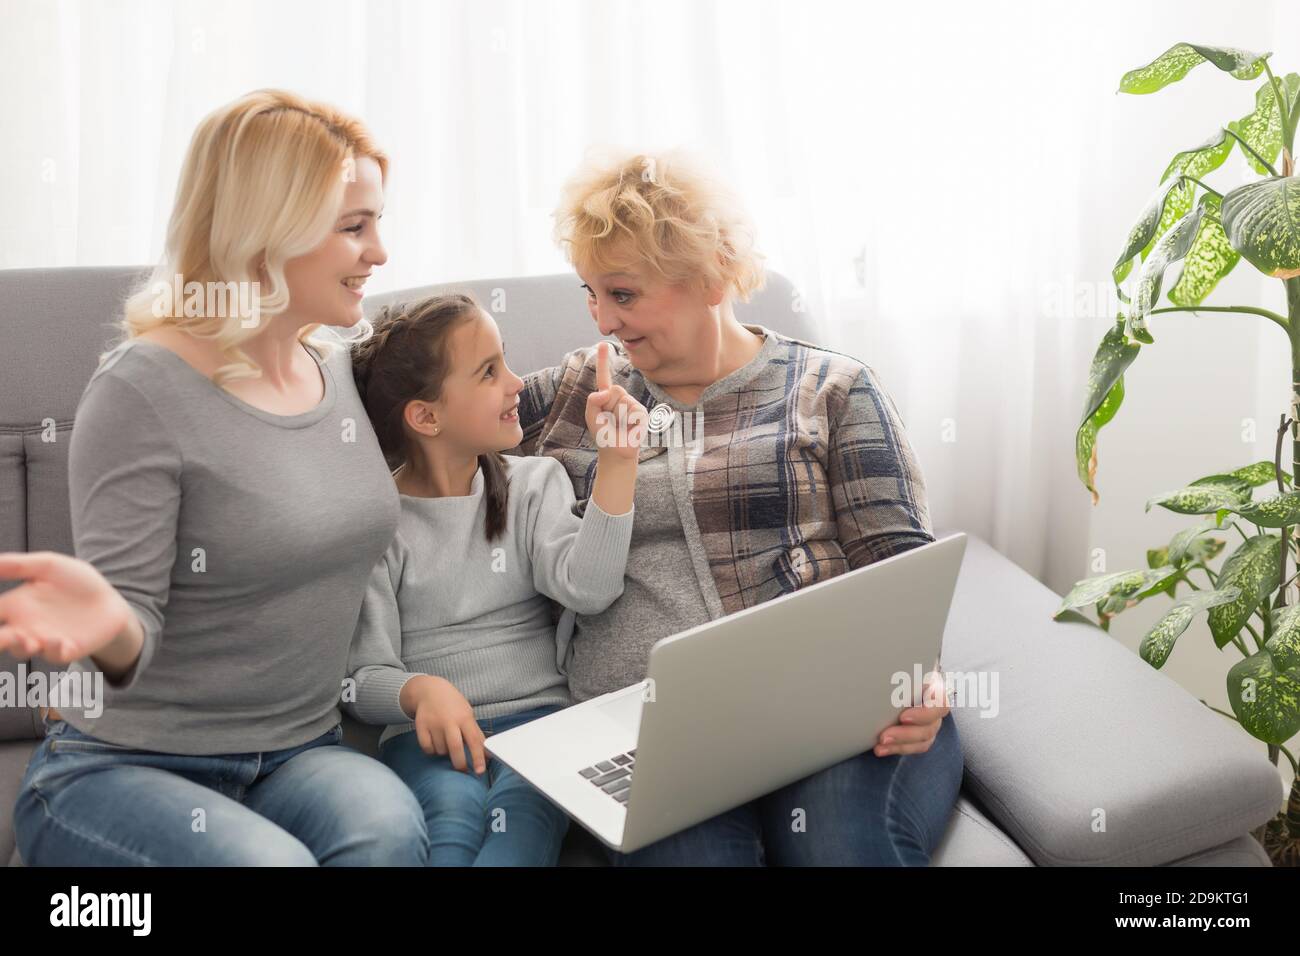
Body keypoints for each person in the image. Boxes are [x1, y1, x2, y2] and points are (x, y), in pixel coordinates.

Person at [0, 89, 428, 865]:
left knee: (390, 833)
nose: (380, 253)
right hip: (123, 767)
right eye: (354, 227)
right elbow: (129, 634)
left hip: (299, 753)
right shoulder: (142, 390)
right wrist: (107, 625)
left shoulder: (328, 364)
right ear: (269, 232)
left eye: (378, 223)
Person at [508, 148, 963, 865]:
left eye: (622, 295)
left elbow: (901, 571)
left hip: (831, 711)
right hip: (651, 735)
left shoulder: (832, 388)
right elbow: (428, 396)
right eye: (590, 294)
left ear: (712, 275)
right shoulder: (575, 389)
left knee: (843, 849)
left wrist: (922, 677)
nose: (602, 321)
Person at [345, 294, 646, 865]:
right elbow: (361, 679)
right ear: (426, 416)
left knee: (524, 821)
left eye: (504, 360)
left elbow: (589, 587)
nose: (516, 383)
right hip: (430, 739)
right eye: (489, 372)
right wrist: (418, 692)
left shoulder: (534, 484)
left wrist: (618, 462)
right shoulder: (378, 525)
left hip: (544, 725)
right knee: (451, 820)